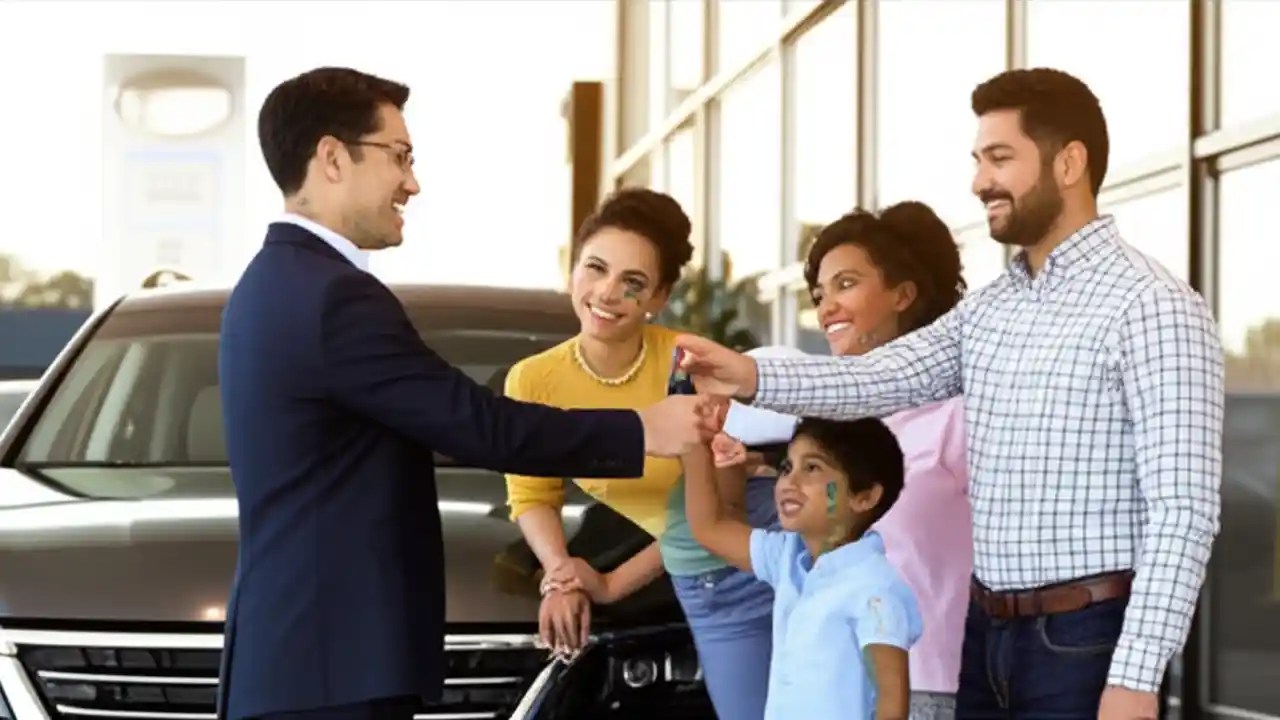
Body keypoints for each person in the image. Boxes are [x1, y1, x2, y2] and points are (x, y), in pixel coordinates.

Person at [674, 67, 1224, 720]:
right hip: (985, 631)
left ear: (1069, 162)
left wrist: (1134, 675)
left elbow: (1183, 509)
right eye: (977, 160)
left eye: (1000, 158)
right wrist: (749, 375)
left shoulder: (1155, 307)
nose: (979, 181)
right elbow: (876, 379)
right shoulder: (991, 309)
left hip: (1085, 640)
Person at [216, 67, 720, 720]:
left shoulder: (273, 284)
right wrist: (645, 430)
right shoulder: (332, 297)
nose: (412, 182)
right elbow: (476, 424)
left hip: (303, 656)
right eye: (398, 156)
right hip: (330, 665)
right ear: (332, 158)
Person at [503, 188, 783, 719]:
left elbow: (709, 510)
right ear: (573, 269)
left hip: (754, 554)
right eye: (596, 268)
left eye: (632, 283)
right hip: (702, 575)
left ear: (658, 296)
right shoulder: (533, 379)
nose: (607, 293)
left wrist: (608, 584)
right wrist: (561, 574)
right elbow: (532, 492)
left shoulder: (688, 365)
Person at [713, 201, 972, 720]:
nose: (826, 306)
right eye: (819, 294)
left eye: (845, 284)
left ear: (903, 294)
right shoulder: (835, 429)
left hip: (928, 688)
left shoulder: (958, 416)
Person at [684, 415, 921, 720]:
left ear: (864, 497)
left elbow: (892, 699)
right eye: (786, 467)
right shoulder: (787, 557)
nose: (789, 482)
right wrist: (694, 446)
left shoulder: (874, 588)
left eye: (812, 468)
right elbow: (710, 528)